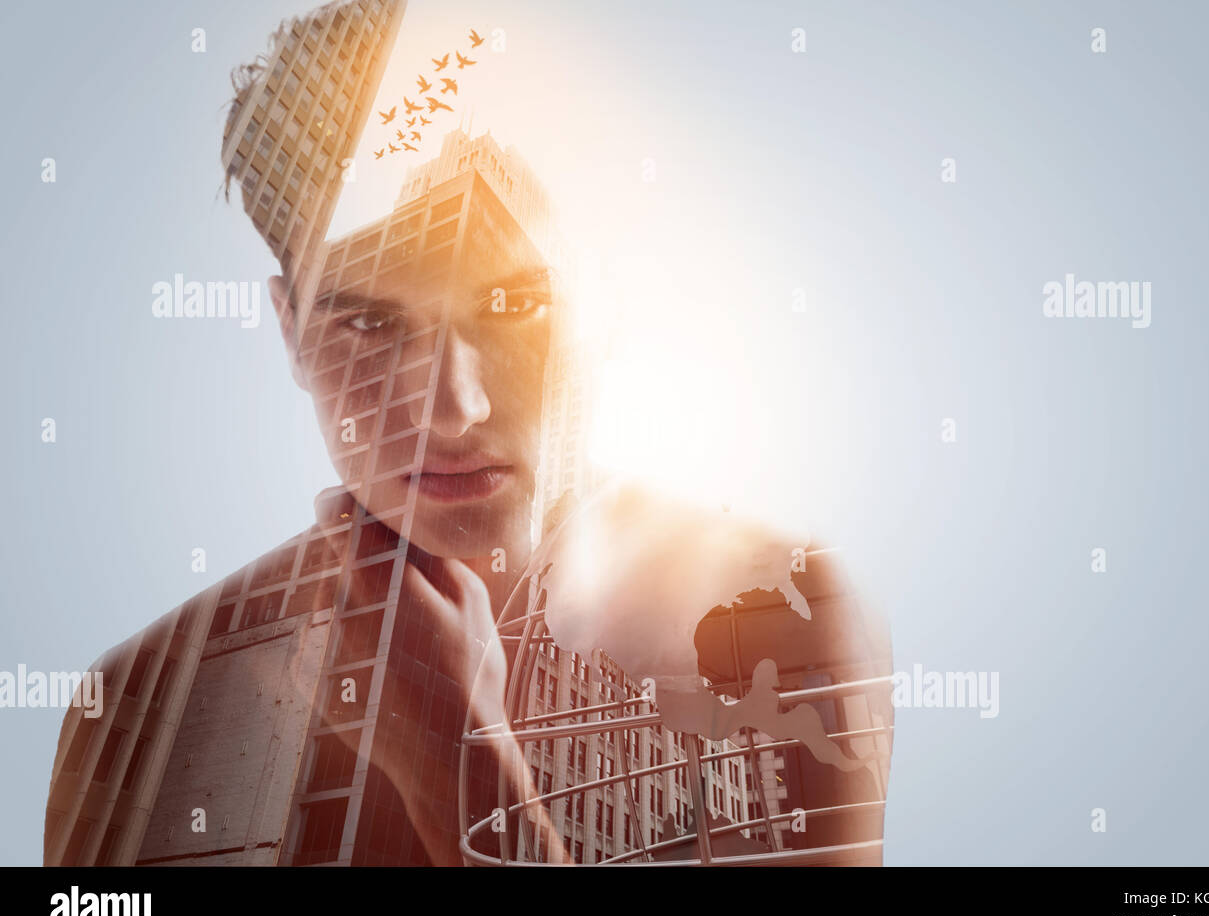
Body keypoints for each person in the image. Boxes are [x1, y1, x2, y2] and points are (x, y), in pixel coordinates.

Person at [44, 0, 891, 868]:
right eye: (368, 323)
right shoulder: (138, 700)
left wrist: (459, 765)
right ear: (290, 331)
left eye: (514, 303)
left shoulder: (777, 612)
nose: (452, 410)